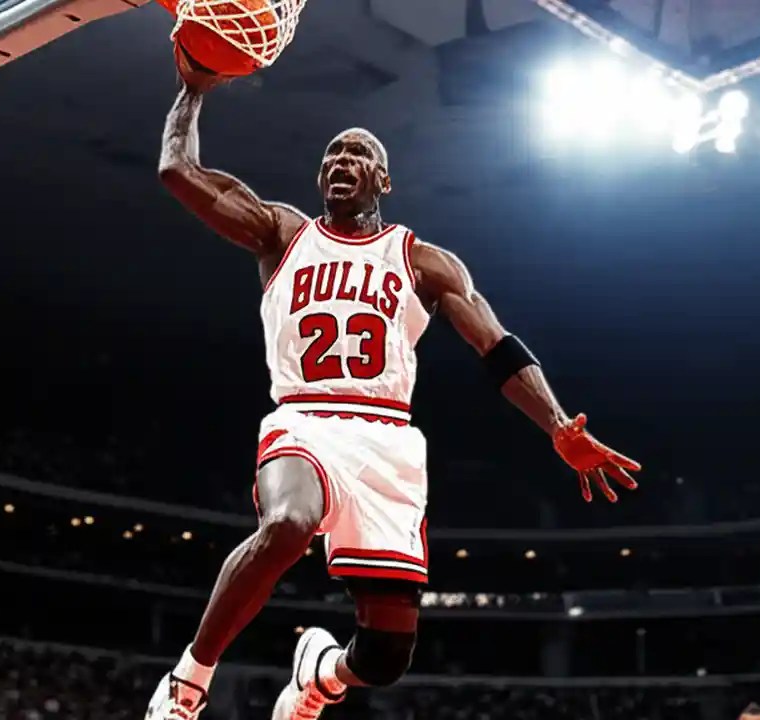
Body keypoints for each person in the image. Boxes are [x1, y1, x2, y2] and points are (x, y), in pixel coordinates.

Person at [145, 51, 642, 720]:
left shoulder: (424, 262)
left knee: (385, 656)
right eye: (331, 154)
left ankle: (320, 675)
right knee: (288, 523)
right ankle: (187, 683)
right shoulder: (283, 233)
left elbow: (496, 346)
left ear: (383, 178)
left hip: (386, 442)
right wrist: (192, 91)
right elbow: (178, 171)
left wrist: (557, 427)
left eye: (356, 153)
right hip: (306, 419)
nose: (340, 161)